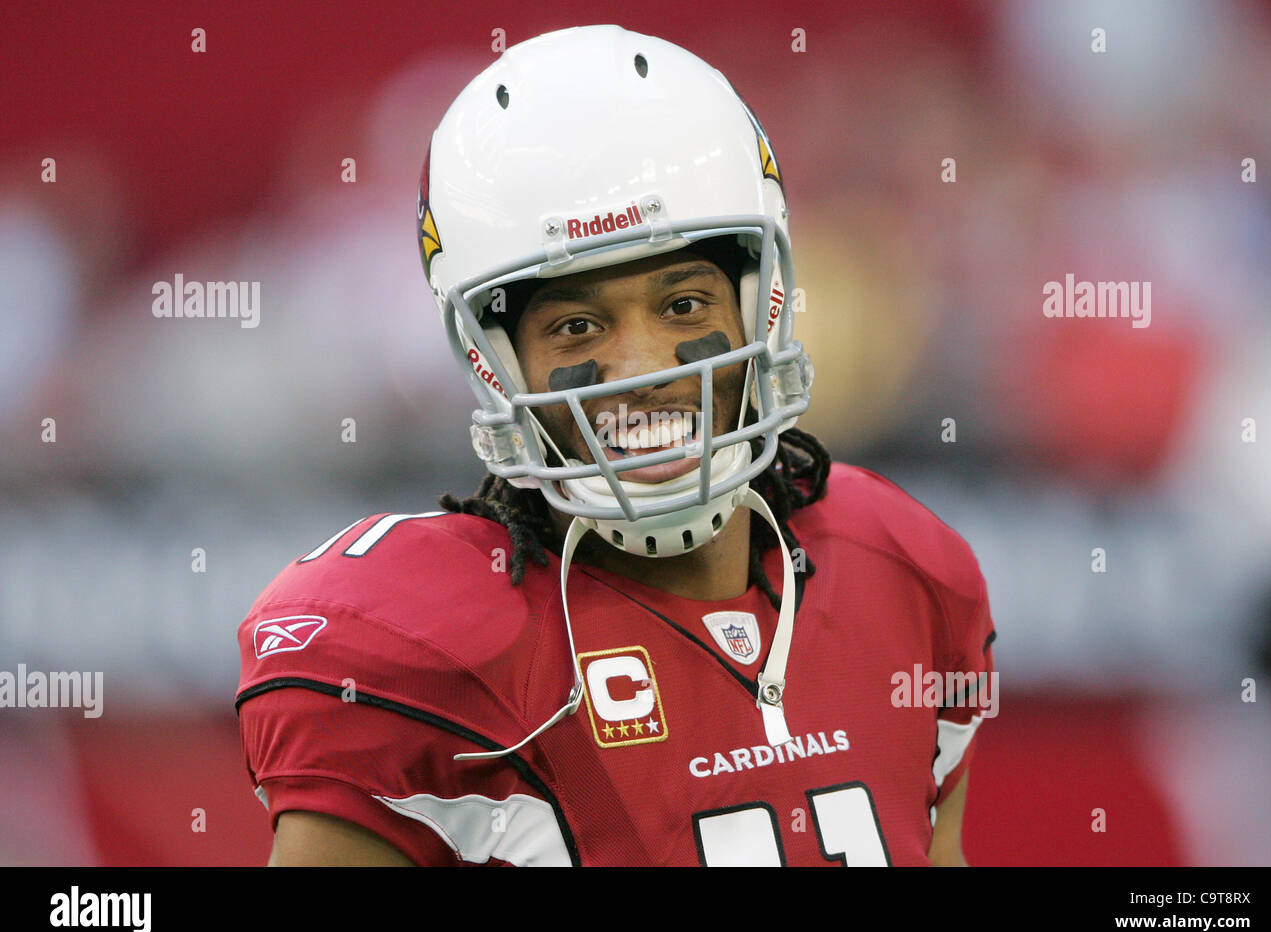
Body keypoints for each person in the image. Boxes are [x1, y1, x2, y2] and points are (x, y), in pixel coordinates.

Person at [236, 25, 995, 866]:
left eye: (682, 306)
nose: (641, 371)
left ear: (759, 300)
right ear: (495, 358)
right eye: (576, 324)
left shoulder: (901, 572)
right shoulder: (414, 656)